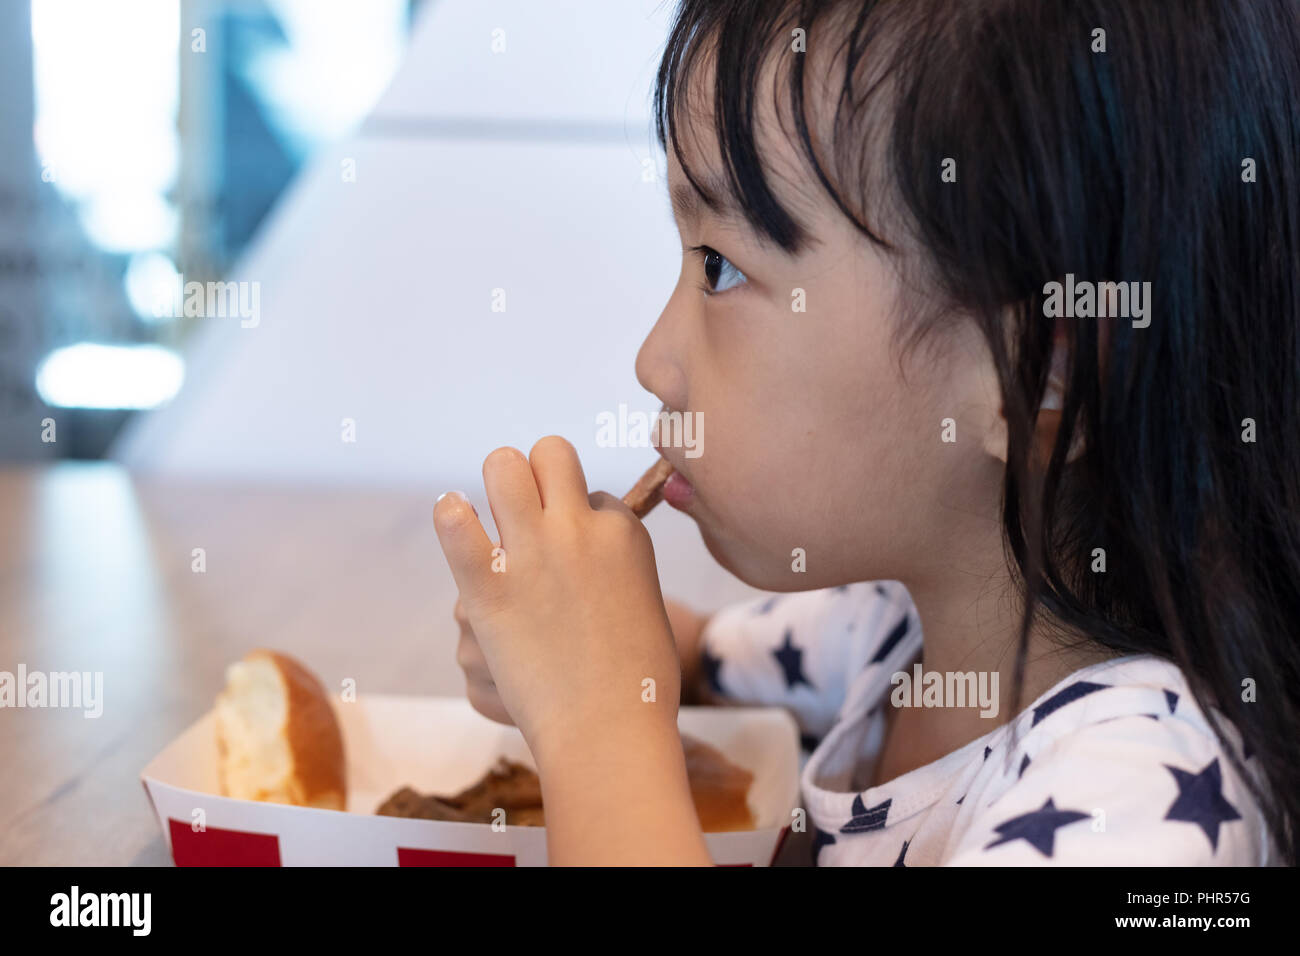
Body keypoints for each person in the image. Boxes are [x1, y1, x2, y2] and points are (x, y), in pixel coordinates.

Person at [433, 0, 1299, 865]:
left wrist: (594, 723)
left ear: (1033, 373)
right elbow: (690, 651)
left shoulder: (1143, 802)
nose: (653, 362)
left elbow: (618, 709)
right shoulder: (886, 633)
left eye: (723, 268)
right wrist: (574, 643)